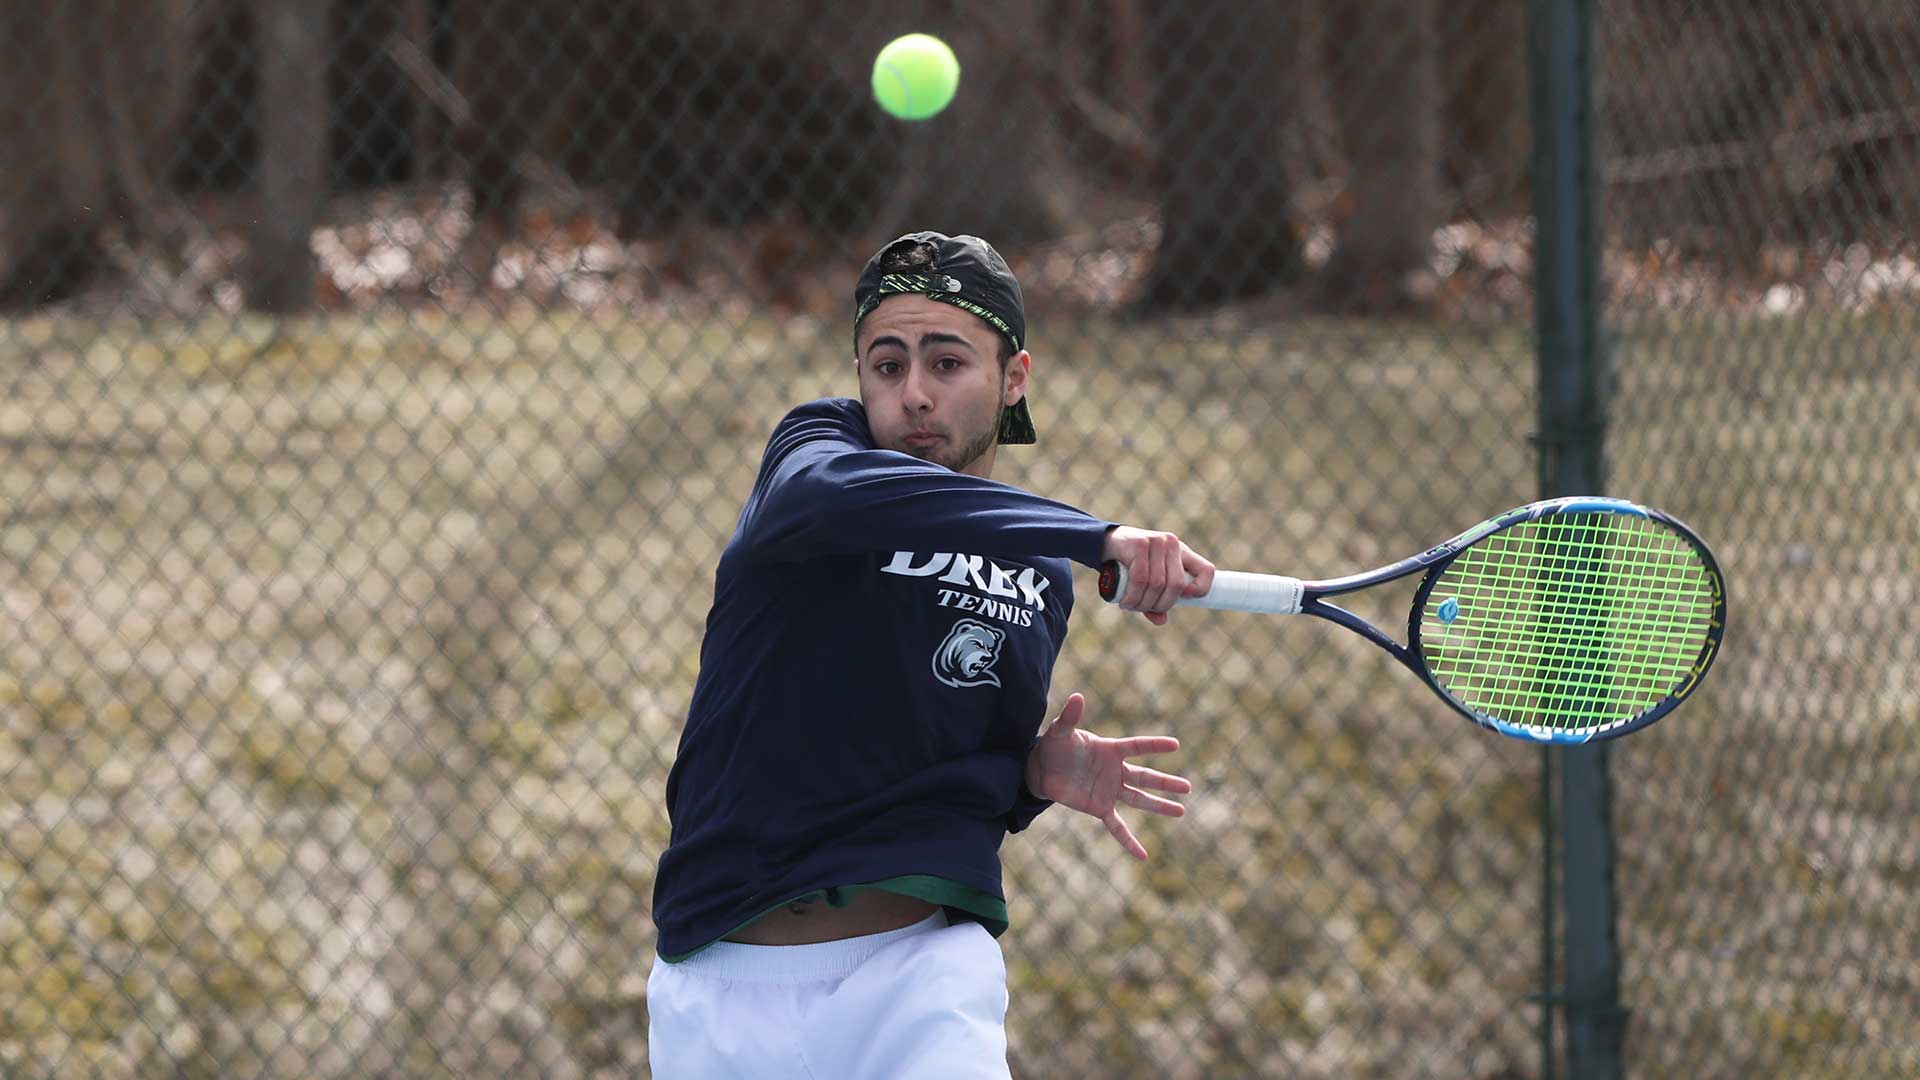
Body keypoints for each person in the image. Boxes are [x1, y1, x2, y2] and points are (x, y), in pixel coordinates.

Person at [646, 230, 1216, 1078]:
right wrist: (1094, 536)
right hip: (721, 981)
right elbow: (831, 496)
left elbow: (945, 746)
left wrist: (1030, 776)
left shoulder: (1035, 576)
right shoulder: (815, 458)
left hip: (919, 978)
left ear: (1013, 379)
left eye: (946, 364)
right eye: (887, 365)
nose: (913, 394)